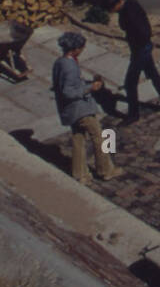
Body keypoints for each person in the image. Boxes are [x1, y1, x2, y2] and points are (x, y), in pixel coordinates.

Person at [53, 32, 123, 184]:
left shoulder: (60, 62)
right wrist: (91, 87)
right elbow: (68, 91)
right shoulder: (70, 67)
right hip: (80, 109)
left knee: (78, 139)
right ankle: (106, 170)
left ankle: (80, 175)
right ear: (76, 48)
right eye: (82, 47)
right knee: (100, 137)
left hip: (70, 111)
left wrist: (85, 83)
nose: (83, 49)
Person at [103, 0, 160, 122]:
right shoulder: (131, 2)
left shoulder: (128, 13)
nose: (112, 12)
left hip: (140, 50)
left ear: (116, 5)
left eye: (111, 10)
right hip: (144, 48)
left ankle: (133, 115)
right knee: (153, 75)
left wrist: (138, 47)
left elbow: (139, 30)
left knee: (130, 83)